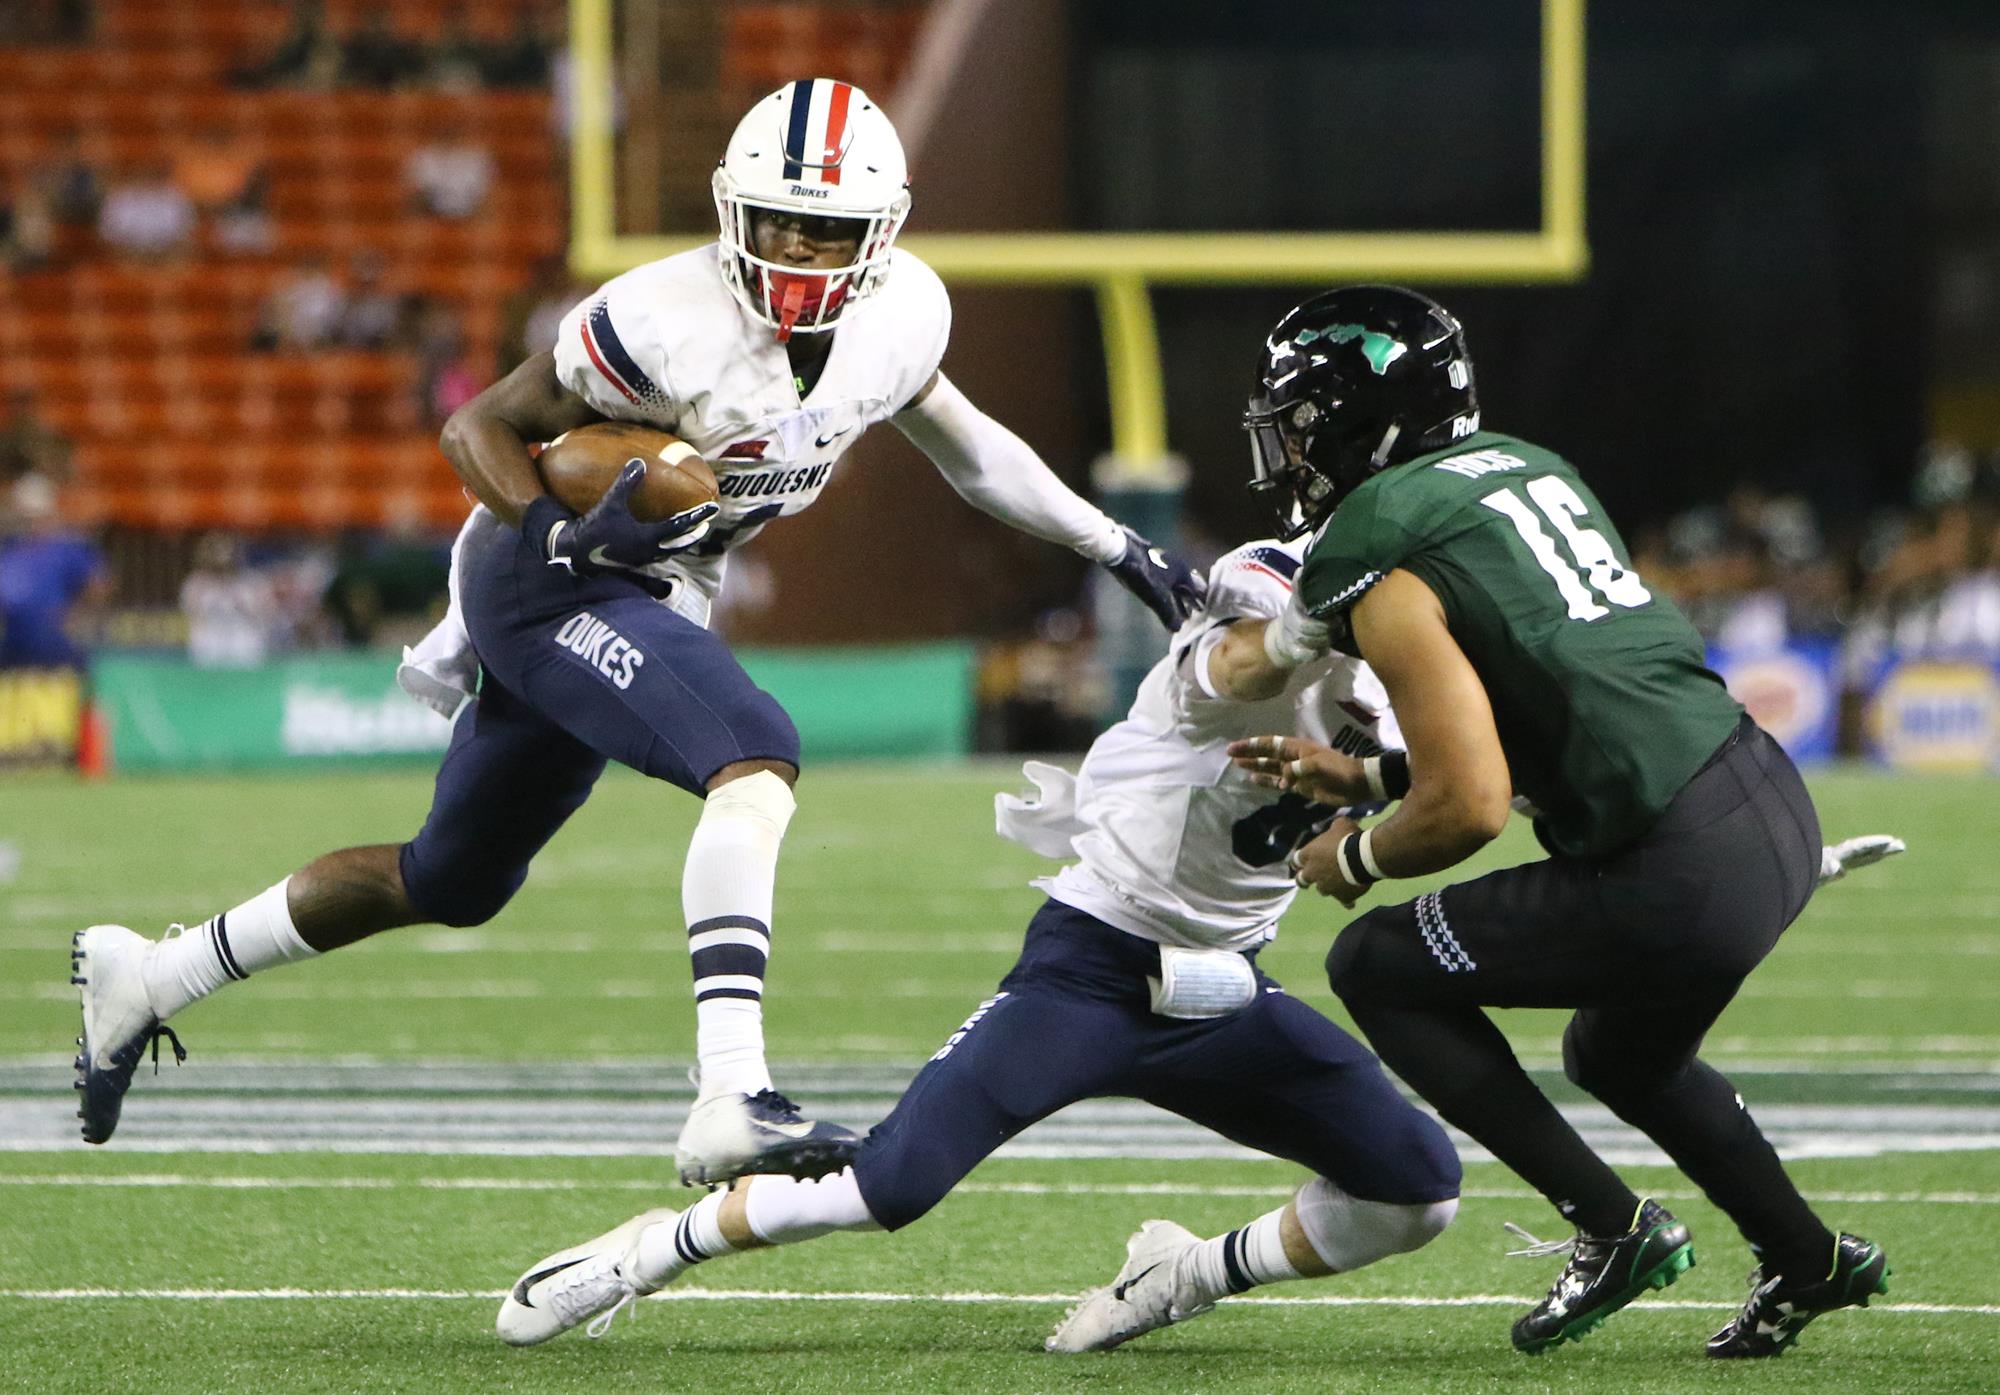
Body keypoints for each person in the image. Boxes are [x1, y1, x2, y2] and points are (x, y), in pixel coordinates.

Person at [70, 80, 1205, 1190]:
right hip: (544, 579)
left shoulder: (902, 314)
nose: (798, 252)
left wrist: (1113, 543)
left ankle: (152, 975)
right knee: (752, 754)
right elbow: (480, 426)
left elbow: (964, 440)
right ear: (731, 210)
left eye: (827, 231)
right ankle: (730, 1093)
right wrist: (558, 529)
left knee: (451, 878)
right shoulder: (662, 319)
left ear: (882, 233)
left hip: (653, 587)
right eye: (779, 223)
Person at [489, 534, 1462, 1350]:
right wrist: (1307, 628)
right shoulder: (1252, 621)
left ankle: (1180, 1276)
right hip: (1090, 969)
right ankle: (650, 1250)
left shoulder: (1412, 661)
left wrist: (1366, 813)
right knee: (888, 1185)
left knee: (1416, 1189)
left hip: (1221, 990)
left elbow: (1456, 777)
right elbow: (1236, 665)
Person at [1215, 286, 1891, 1359]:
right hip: (1761, 797)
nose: (1288, 451)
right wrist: (1369, 775)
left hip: (1676, 862)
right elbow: (1550, 712)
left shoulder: (1376, 542)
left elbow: (1471, 806)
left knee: (1375, 963)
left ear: (1359, 419)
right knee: (1620, 1056)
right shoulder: (1526, 467)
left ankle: (1611, 1227)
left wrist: (1359, 853)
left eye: (1299, 425)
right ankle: (1807, 1258)